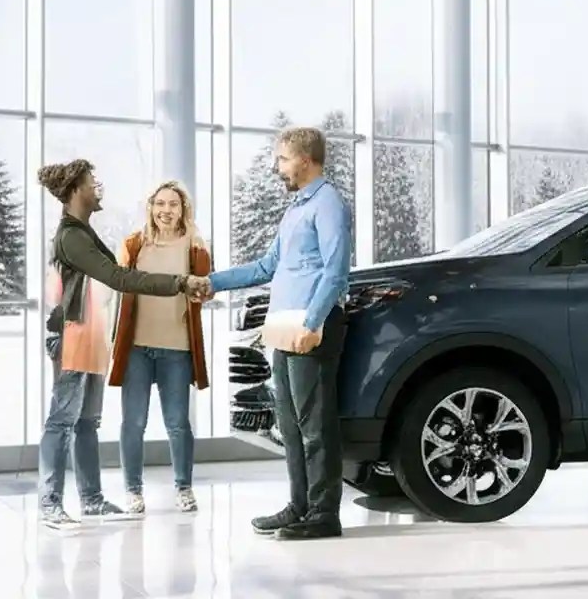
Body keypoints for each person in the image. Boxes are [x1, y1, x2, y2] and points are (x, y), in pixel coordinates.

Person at [191, 126, 352, 540]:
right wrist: (213, 281)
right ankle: (300, 506)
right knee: (291, 424)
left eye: (282, 158)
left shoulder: (328, 203)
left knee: (315, 425)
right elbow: (267, 267)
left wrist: (312, 323)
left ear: (306, 159)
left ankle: (324, 514)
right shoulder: (295, 208)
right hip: (283, 328)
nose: (276, 166)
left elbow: (335, 272)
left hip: (310, 326)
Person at [37, 159, 208, 531]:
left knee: (87, 423)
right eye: (91, 182)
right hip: (70, 334)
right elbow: (118, 277)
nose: (98, 186)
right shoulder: (71, 236)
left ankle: (92, 500)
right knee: (62, 420)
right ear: (75, 190)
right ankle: (49, 503)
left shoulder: (84, 230)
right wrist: (178, 283)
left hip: (92, 336)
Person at [110, 180, 212, 515]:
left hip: (177, 349)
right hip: (137, 348)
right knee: (133, 422)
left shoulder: (195, 249)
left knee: (178, 423)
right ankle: (132, 490)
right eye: (160, 204)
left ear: (183, 210)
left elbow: (203, 292)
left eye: (173, 204)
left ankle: (184, 488)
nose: (165, 211)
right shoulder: (134, 245)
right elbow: (117, 289)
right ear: (150, 207)